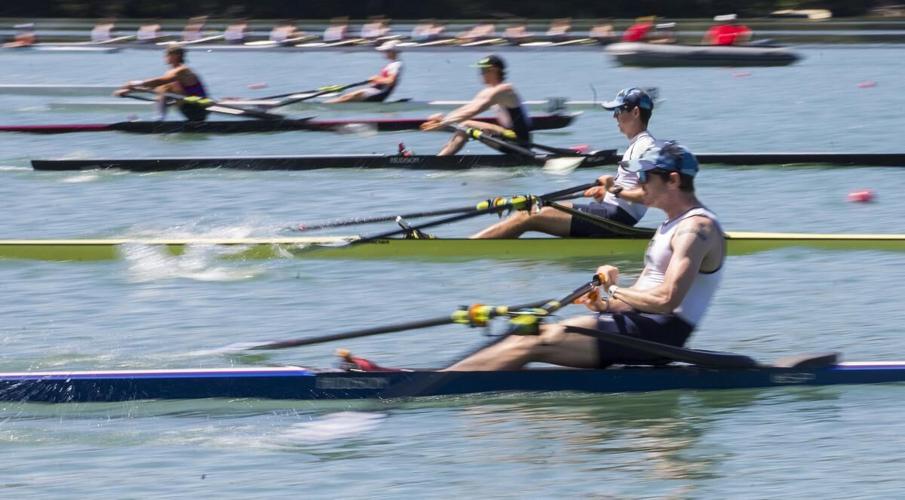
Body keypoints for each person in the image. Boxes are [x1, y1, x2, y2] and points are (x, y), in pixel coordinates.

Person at [448, 142, 723, 370]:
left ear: (672, 180)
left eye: (644, 177)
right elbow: (642, 296)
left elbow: (665, 301)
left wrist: (615, 288)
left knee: (535, 341)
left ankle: (443, 383)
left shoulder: (696, 228)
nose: (639, 186)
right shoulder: (671, 224)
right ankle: (449, 376)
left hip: (660, 334)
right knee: (525, 330)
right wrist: (605, 304)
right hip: (643, 325)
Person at [471, 87, 656, 239]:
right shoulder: (637, 145)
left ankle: (471, 246)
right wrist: (605, 193)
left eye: (618, 111)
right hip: (609, 211)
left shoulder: (645, 146)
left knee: (527, 215)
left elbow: (648, 195)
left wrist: (613, 188)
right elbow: (631, 192)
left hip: (615, 218)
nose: (614, 116)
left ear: (635, 112)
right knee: (532, 207)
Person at [420, 55, 531, 156]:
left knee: (466, 124)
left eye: (483, 70)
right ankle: (441, 157)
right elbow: (465, 109)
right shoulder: (488, 91)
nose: (480, 74)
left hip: (519, 141)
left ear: (494, 70)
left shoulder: (505, 90)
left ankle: (441, 160)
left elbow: (474, 110)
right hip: (506, 137)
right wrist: (444, 119)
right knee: (464, 125)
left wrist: (444, 123)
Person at [114, 46, 208, 122]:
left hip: (199, 109)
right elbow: (156, 89)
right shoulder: (172, 71)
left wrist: (133, 83)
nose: (165, 57)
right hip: (190, 109)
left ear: (176, 56)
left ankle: (159, 120)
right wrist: (131, 91)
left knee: (165, 87)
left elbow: (159, 82)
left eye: (167, 55)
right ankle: (159, 118)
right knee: (162, 88)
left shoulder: (182, 71)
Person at [328, 40, 403, 103]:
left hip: (378, 92)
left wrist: (377, 79)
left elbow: (390, 81)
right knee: (345, 98)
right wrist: (378, 79)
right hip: (376, 91)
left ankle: (325, 106)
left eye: (385, 51)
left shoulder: (396, 65)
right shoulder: (393, 64)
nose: (383, 53)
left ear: (393, 52)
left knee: (345, 98)